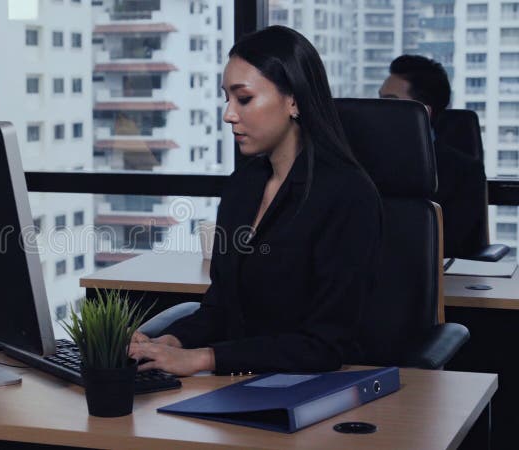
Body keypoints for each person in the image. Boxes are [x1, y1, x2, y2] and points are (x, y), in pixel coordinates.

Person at [128, 26, 383, 377]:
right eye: (226, 99)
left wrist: (205, 359)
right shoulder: (242, 186)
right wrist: (175, 341)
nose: (228, 114)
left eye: (244, 99)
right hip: (239, 383)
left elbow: (325, 345)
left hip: (318, 390)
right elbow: (222, 307)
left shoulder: (347, 195)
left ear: (293, 100)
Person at [379, 55, 486, 257]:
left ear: (422, 112)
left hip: (433, 278)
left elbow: (452, 244)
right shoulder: (361, 161)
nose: (377, 110)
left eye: (389, 102)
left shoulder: (465, 173)